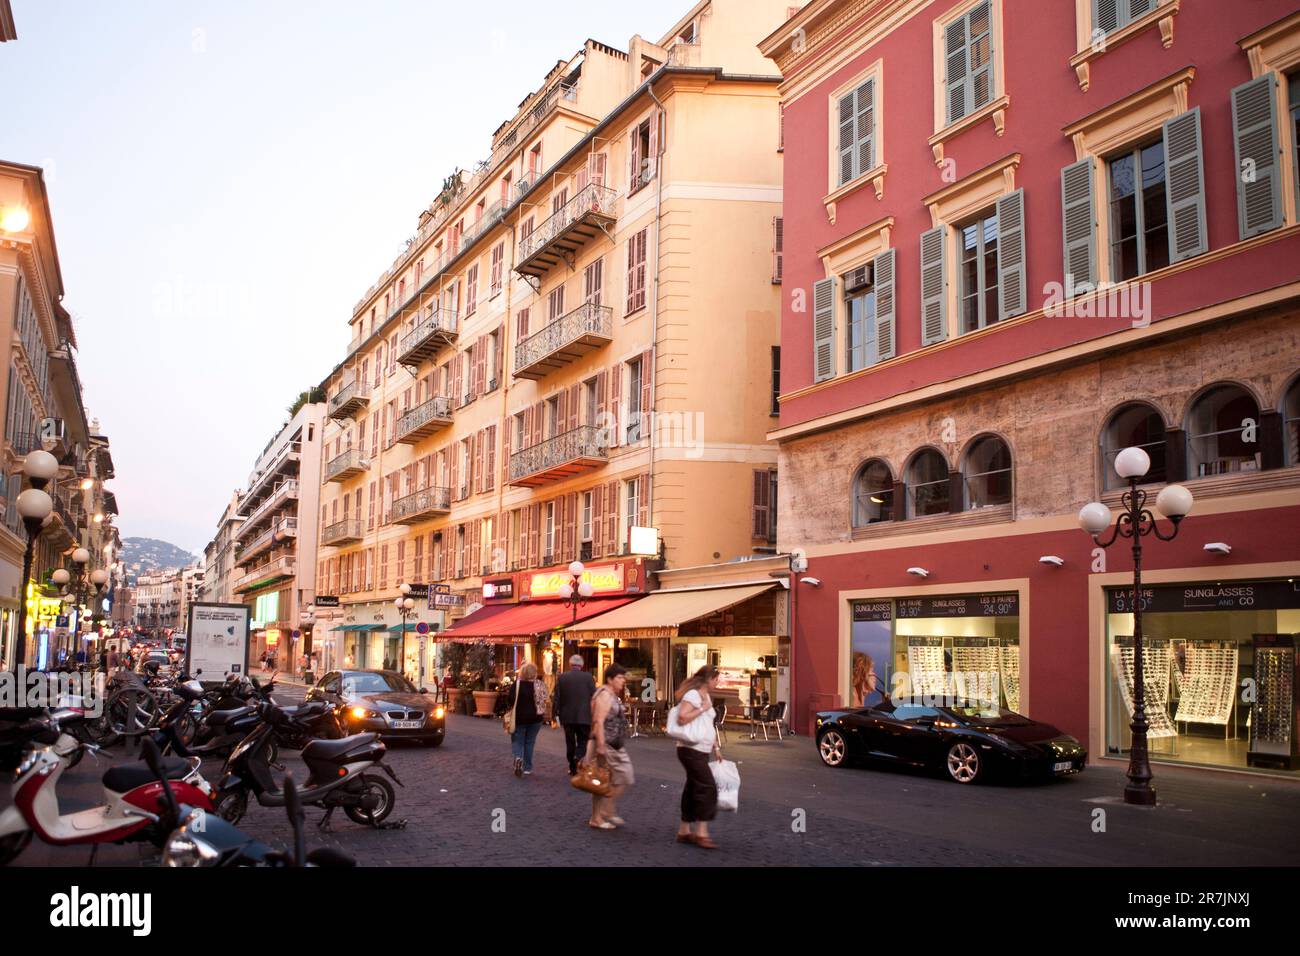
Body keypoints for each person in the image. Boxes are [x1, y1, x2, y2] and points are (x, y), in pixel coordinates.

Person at [674, 664, 723, 850]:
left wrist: (716, 747)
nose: (718, 682)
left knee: (693, 786)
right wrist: (702, 709)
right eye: (716, 678)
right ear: (708, 679)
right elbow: (682, 717)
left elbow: (707, 724)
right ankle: (702, 832)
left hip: (701, 749)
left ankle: (684, 830)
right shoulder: (693, 695)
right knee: (707, 786)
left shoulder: (705, 696)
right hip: (690, 749)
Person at [586, 663, 633, 830]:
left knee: (603, 779)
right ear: (610, 679)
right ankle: (603, 812)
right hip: (607, 744)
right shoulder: (605, 695)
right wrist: (600, 745)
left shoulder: (611, 694)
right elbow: (598, 720)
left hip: (612, 743)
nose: (623, 680)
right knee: (622, 776)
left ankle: (600, 815)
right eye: (620, 677)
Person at [553, 654, 596, 776]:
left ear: (570, 664)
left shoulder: (562, 677)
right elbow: (594, 695)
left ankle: (572, 766)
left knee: (570, 741)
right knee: (583, 740)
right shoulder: (588, 677)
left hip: (567, 716)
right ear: (581, 665)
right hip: (584, 715)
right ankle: (578, 756)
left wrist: (554, 715)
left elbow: (557, 698)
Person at [506, 662, 547, 776]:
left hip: (520, 718)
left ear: (523, 672)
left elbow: (510, 700)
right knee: (530, 742)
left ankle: (518, 758)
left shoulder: (517, 684)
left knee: (518, 740)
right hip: (536, 718)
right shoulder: (540, 684)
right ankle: (528, 767)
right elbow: (544, 699)